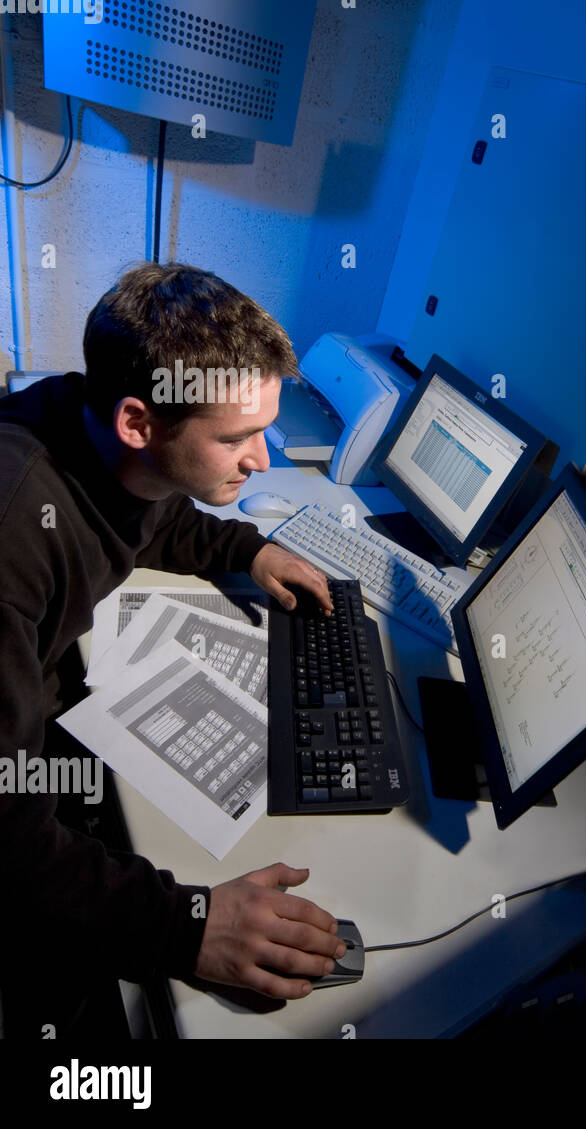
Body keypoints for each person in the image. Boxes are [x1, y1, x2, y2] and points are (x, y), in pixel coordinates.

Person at [0, 261, 346, 1034]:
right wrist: (191, 926)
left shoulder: (96, 432)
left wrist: (247, 550)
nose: (262, 460)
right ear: (138, 422)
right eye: (237, 438)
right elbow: (9, 846)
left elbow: (153, 510)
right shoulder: (14, 531)